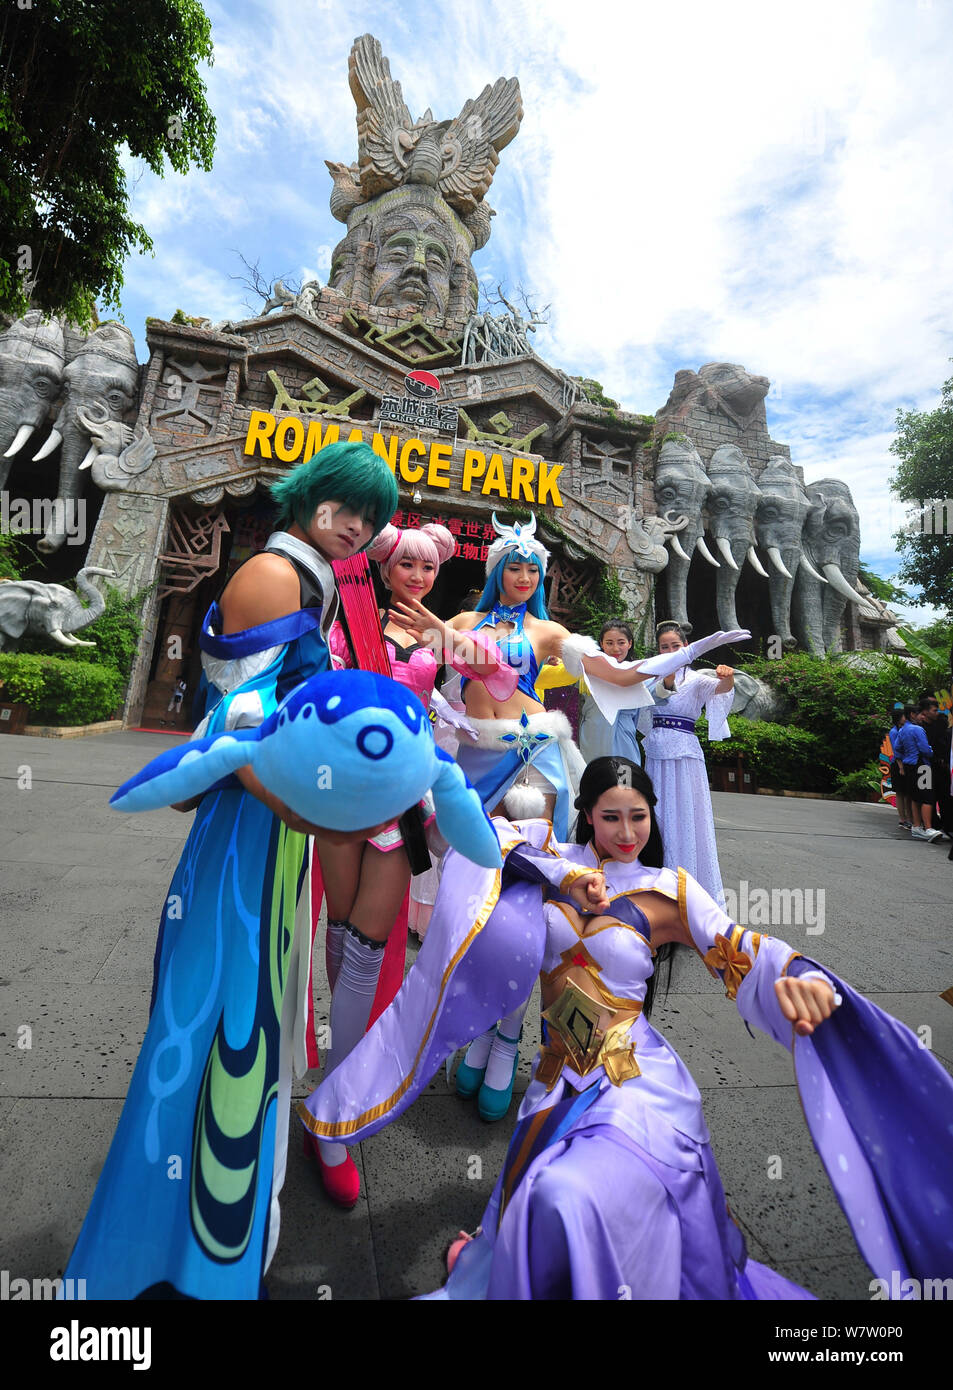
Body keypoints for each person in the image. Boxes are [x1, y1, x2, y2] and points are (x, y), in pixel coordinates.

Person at [298, 756, 953, 1300]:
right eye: (610, 815)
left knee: (565, 1197)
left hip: (633, 1083)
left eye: (637, 816)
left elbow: (734, 944)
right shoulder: (545, 860)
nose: (625, 830)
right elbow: (467, 833)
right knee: (539, 1211)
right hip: (552, 1084)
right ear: (586, 813)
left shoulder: (669, 890)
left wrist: (793, 973)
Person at [62, 441, 398, 1299]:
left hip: (275, 829)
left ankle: (219, 1236)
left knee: (254, 1012)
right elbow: (233, 727)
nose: (357, 523)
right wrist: (301, 806)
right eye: (346, 505)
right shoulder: (276, 575)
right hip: (248, 829)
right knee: (223, 1014)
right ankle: (182, 1250)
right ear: (310, 496)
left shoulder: (310, 577)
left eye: (372, 515)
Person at [392, 515, 747, 1119]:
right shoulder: (456, 623)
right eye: (515, 566)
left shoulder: (549, 632)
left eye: (534, 568)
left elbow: (620, 673)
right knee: (477, 902)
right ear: (496, 570)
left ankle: (505, 1040)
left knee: (525, 901)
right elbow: (398, 662)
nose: (525, 577)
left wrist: (689, 652)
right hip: (473, 764)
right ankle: (480, 1030)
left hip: (533, 759)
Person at [304, 520, 516, 1204]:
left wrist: (442, 634)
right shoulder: (346, 620)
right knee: (338, 940)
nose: (419, 576)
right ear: (387, 567)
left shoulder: (436, 633)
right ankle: (339, 1070)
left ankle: (334, 1114)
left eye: (429, 568)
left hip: (406, 800)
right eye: (408, 566)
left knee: (367, 946)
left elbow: (502, 676)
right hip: (341, 794)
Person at [638, 619, 735, 907]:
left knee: (687, 815)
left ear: (686, 648)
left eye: (675, 646)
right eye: (664, 646)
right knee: (657, 814)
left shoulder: (696, 679)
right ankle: (654, 883)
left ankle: (691, 889)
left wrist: (727, 676)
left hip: (685, 754)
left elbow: (722, 689)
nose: (670, 650)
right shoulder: (649, 676)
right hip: (656, 751)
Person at [578, 619, 642, 767]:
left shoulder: (638, 671)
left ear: (630, 643)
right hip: (593, 734)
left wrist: (667, 682)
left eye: (621, 642)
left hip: (623, 736)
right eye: (609, 643)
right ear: (601, 644)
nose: (615, 648)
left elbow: (655, 693)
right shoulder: (586, 670)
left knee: (625, 783)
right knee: (596, 782)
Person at [894, 702, 943, 841]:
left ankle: (916, 826)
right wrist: (932, 752)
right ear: (912, 715)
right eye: (920, 714)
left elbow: (897, 748)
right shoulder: (918, 730)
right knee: (928, 797)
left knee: (915, 797)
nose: (922, 717)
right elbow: (925, 750)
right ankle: (928, 828)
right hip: (922, 765)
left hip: (909, 765)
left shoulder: (902, 729)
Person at [887, 704, 912, 829]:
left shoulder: (902, 729)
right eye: (903, 716)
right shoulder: (894, 732)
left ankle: (908, 818)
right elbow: (896, 751)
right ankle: (902, 819)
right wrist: (901, 767)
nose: (905, 718)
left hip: (904, 763)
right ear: (898, 718)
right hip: (898, 764)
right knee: (900, 793)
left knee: (906, 793)